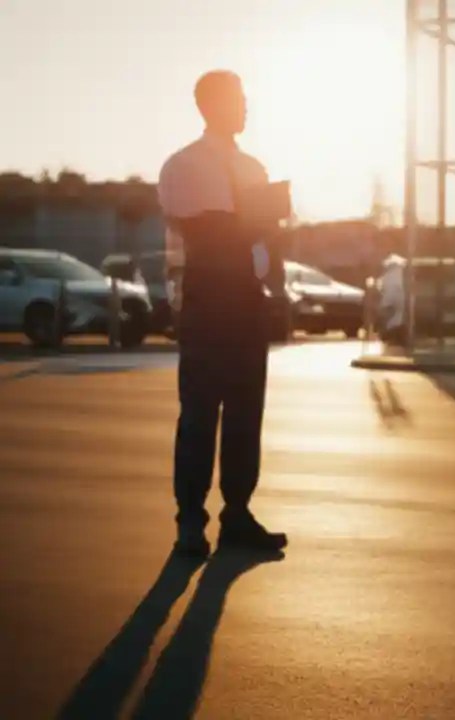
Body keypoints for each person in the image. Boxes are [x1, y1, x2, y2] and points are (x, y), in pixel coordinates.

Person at [158, 70, 288, 557]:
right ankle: (190, 522)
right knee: (198, 413)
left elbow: (265, 234)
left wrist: (261, 240)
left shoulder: (253, 166)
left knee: (245, 412)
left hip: (248, 302)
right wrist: (246, 227)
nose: (246, 108)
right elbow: (202, 234)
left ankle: (238, 515)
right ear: (210, 106)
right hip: (208, 300)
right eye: (237, 100)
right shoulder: (184, 166)